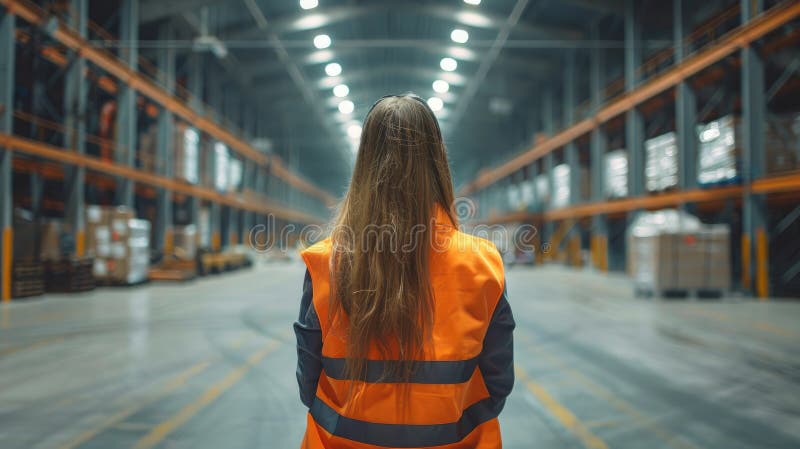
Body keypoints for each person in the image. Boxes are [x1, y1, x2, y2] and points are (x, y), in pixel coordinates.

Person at [294, 94, 515, 448]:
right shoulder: (482, 263)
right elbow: (498, 382)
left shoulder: (327, 262)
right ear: (436, 160)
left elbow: (308, 383)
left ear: (365, 162)